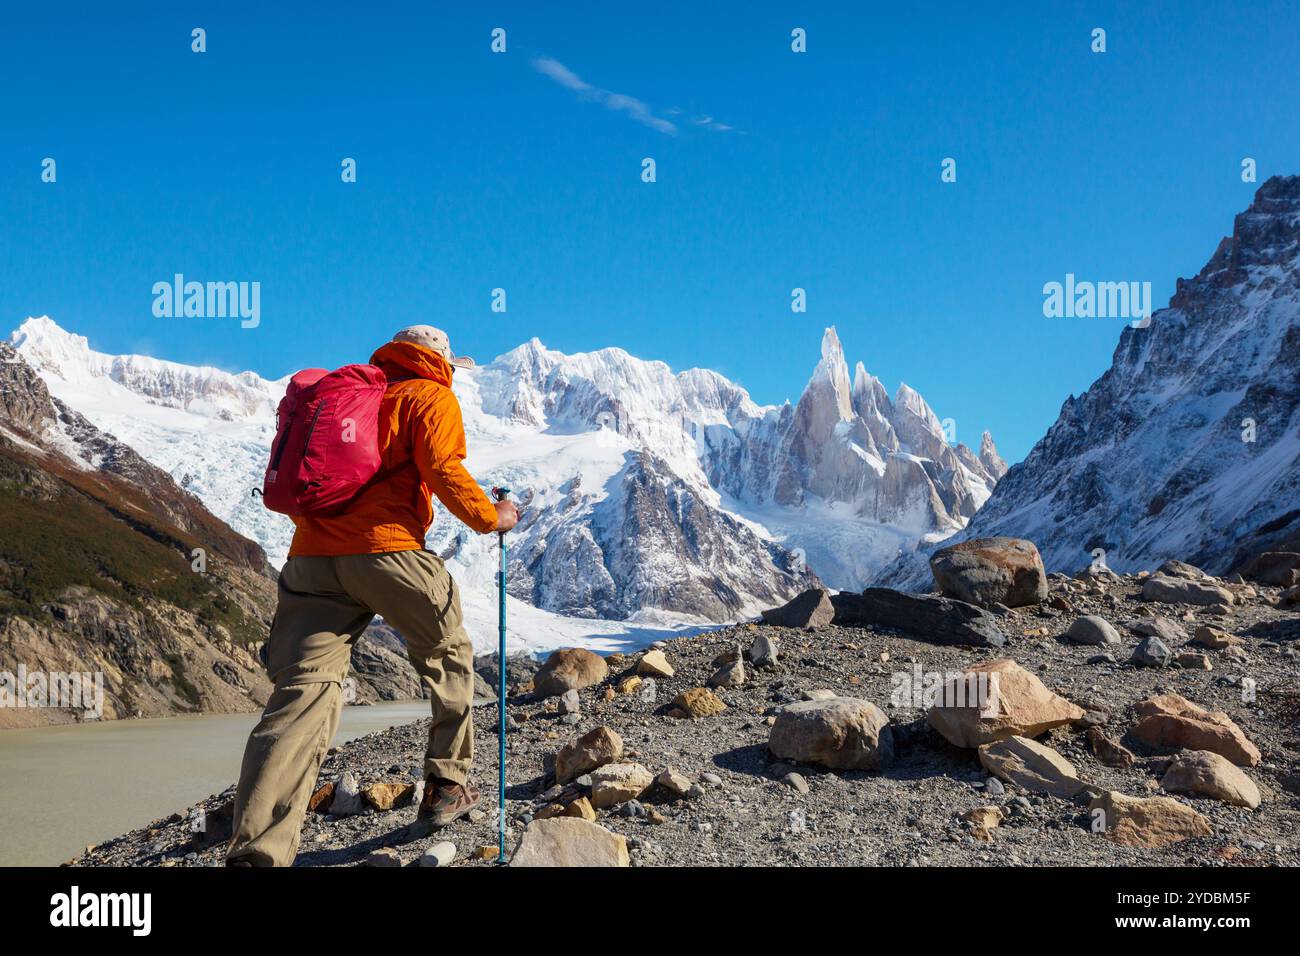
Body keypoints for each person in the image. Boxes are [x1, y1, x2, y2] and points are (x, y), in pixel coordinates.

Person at [226, 325, 519, 867]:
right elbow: (443, 467)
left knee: (302, 692)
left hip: (312, 559)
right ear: (443, 362)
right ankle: (446, 786)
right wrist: (491, 517)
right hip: (389, 552)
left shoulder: (349, 397)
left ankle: (259, 848)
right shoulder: (430, 395)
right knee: (448, 653)